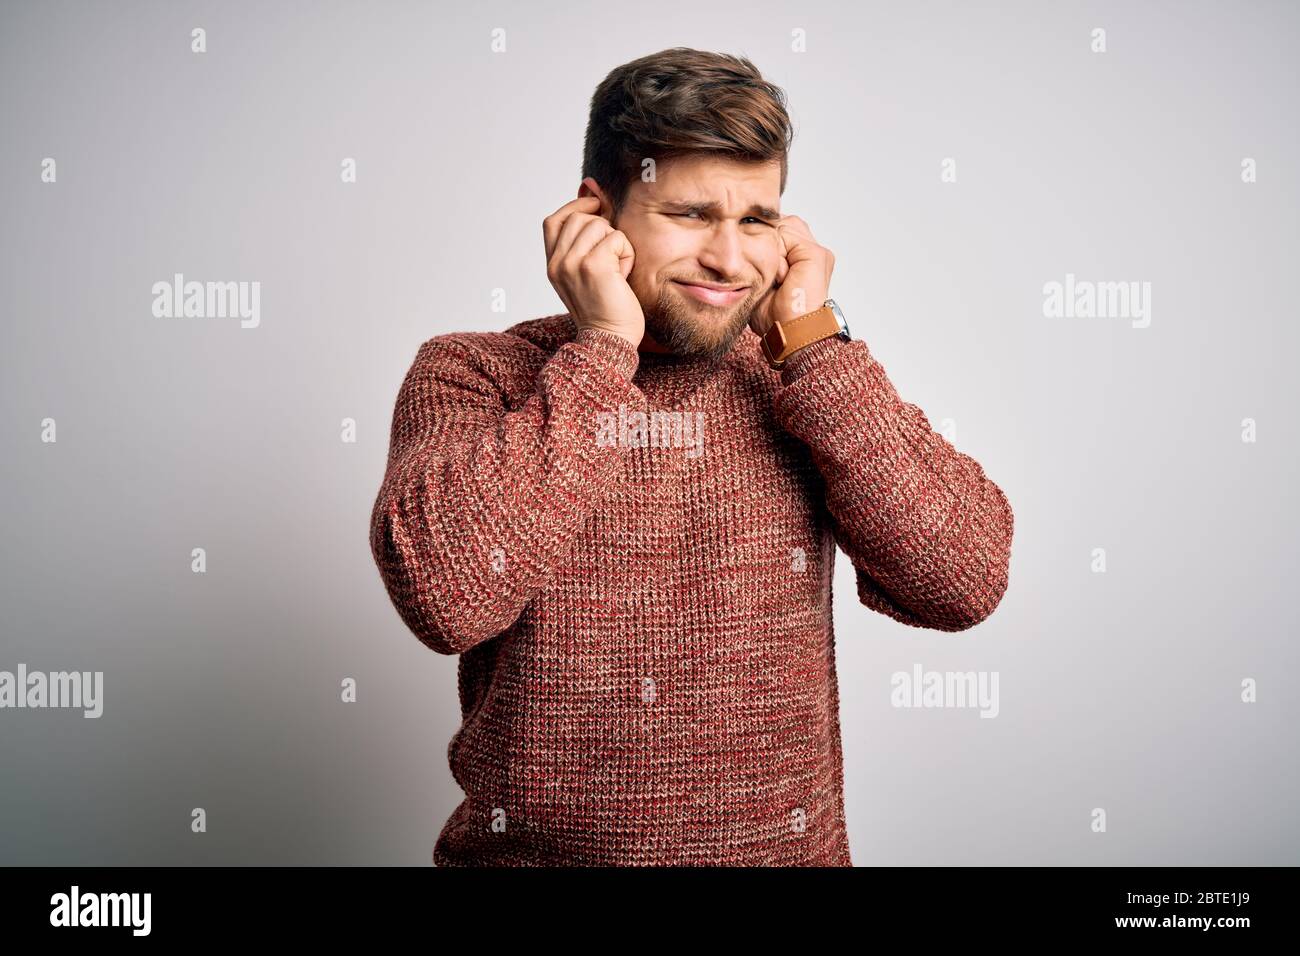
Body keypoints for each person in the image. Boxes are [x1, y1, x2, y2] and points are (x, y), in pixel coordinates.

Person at [369, 47, 1014, 866]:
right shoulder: (476, 373)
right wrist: (604, 350)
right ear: (596, 215)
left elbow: (966, 580)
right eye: (689, 215)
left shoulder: (803, 378)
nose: (729, 259)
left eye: (755, 221)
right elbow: (447, 596)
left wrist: (812, 343)